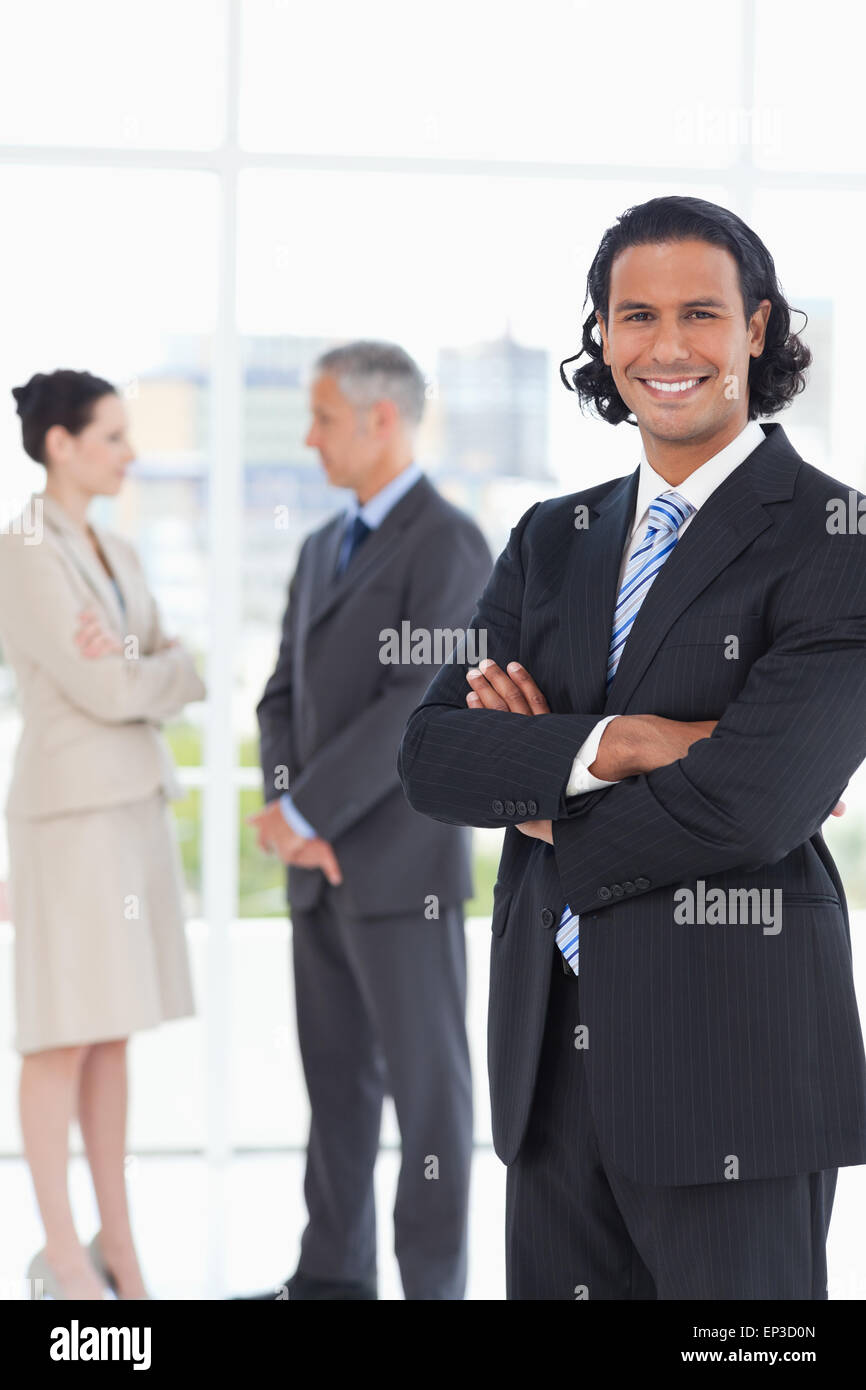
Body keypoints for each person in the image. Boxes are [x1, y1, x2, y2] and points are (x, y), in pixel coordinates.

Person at [398, 195, 866, 1300]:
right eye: (633, 314)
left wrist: (542, 780)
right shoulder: (550, 536)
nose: (665, 347)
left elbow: (753, 806)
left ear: (756, 327)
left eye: (699, 314)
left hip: (731, 1069)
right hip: (544, 1059)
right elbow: (428, 755)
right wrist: (630, 740)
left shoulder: (835, 539)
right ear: (600, 336)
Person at [245, 341, 493, 1300]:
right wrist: (283, 806)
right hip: (318, 871)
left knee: (430, 1107)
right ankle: (329, 1282)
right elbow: (279, 696)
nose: (308, 439)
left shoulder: (449, 543)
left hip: (401, 877)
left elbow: (414, 704)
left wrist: (311, 809)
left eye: (320, 419)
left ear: (379, 417)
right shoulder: (320, 547)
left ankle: (431, 1289)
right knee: (335, 1094)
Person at [0, 369, 206, 1300]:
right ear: (61, 444)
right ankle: (64, 1258)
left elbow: (171, 654)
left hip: (130, 809)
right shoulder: (24, 549)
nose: (131, 454)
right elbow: (121, 684)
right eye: (115, 437)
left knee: (114, 1033)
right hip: (72, 819)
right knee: (61, 1037)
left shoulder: (116, 552)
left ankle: (118, 1246)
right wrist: (161, 674)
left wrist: (159, 670)